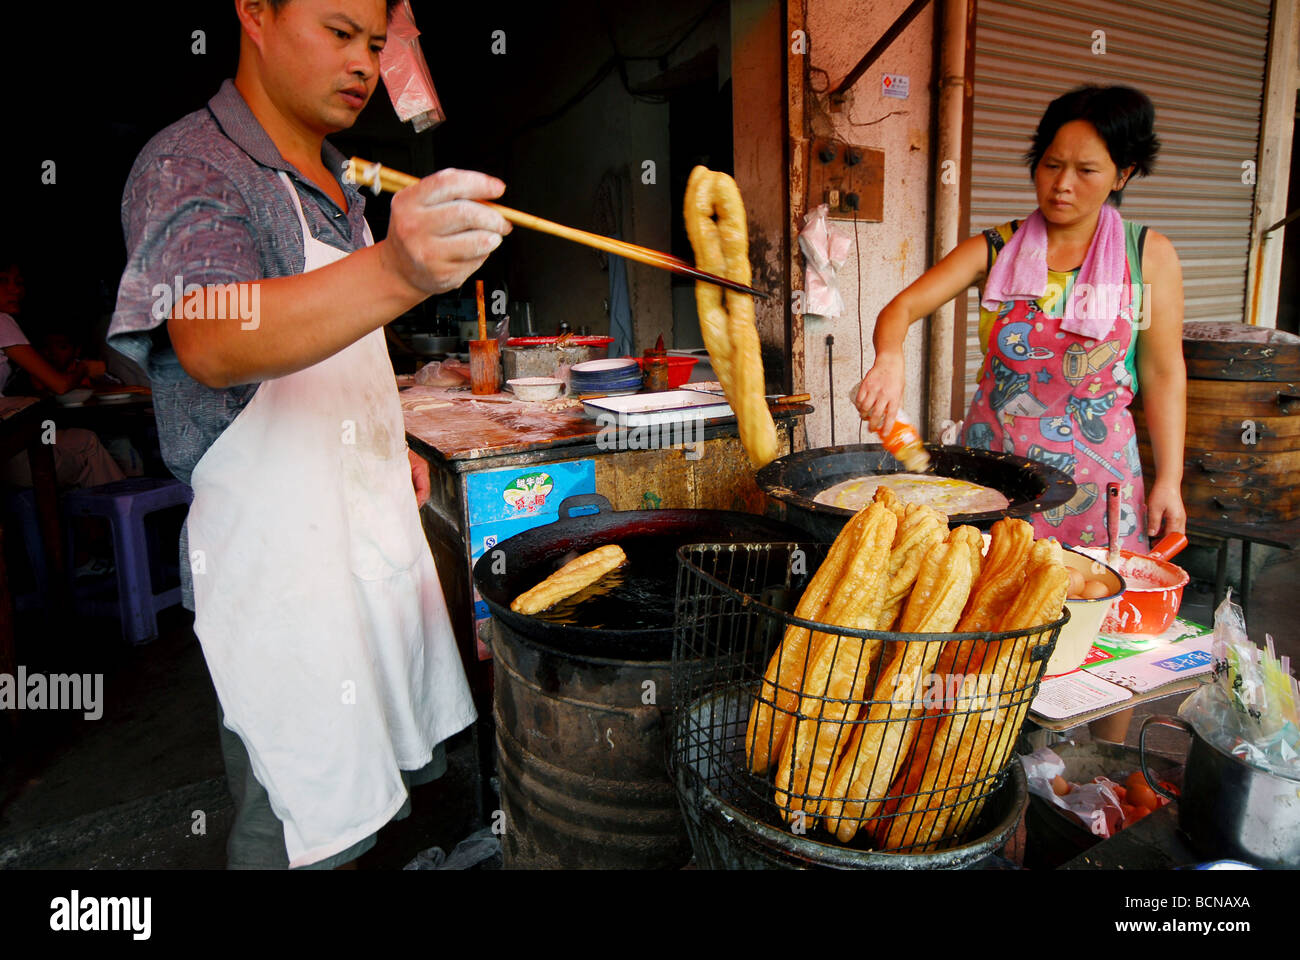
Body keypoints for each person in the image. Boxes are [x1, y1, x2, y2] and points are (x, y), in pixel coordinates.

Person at [109, 0, 512, 869]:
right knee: (301, 815)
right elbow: (213, 336)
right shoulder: (193, 161)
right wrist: (399, 269)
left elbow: (335, 346)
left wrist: (379, 436)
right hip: (280, 569)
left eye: (374, 43)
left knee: (378, 787)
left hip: (358, 530)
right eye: (338, 33)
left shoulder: (338, 176)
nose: (363, 64)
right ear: (254, 12)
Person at [854, 86, 1187, 747]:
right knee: (985, 623)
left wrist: (1171, 478)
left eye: (1086, 170)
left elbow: (1162, 373)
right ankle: (986, 760)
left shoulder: (1149, 255)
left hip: (1100, 489)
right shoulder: (997, 246)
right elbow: (900, 310)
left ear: (1123, 174)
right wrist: (889, 357)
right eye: (1050, 164)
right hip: (999, 482)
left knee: (1103, 631)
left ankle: (1100, 770)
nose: (1062, 186)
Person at [0, 256, 125, 491]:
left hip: (13, 442)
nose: (14, 289)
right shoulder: (2, 321)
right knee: (86, 443)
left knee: (74, 438)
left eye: (18, 282)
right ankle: (118, 520)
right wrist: (85, 368)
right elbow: (59, 385)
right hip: (10, 455)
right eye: (3, 281)